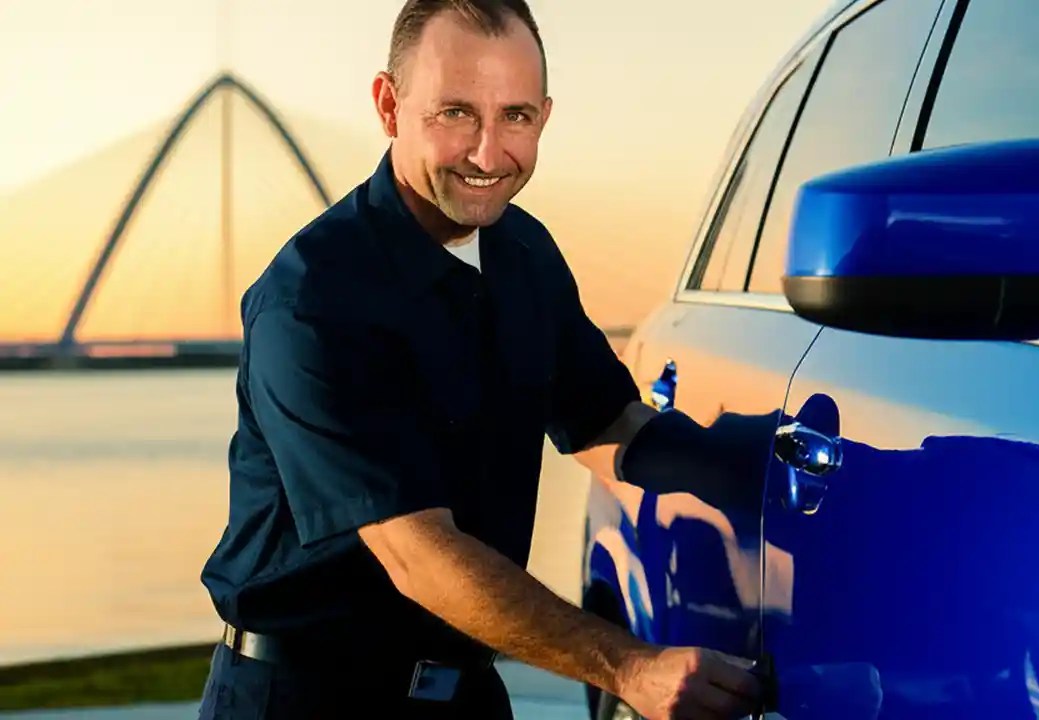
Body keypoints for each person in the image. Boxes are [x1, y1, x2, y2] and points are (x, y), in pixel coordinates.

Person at [196, 1, 765, 717]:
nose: (490, 154)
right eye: (456, 113)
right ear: (388, 104)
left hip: (465, 693)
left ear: (545, 115)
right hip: (305, 699)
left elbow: (607, 426)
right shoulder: (313, 299)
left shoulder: (523, 253)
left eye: (516, 117)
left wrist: (769, 465)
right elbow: (417, 555)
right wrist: (628, 666)